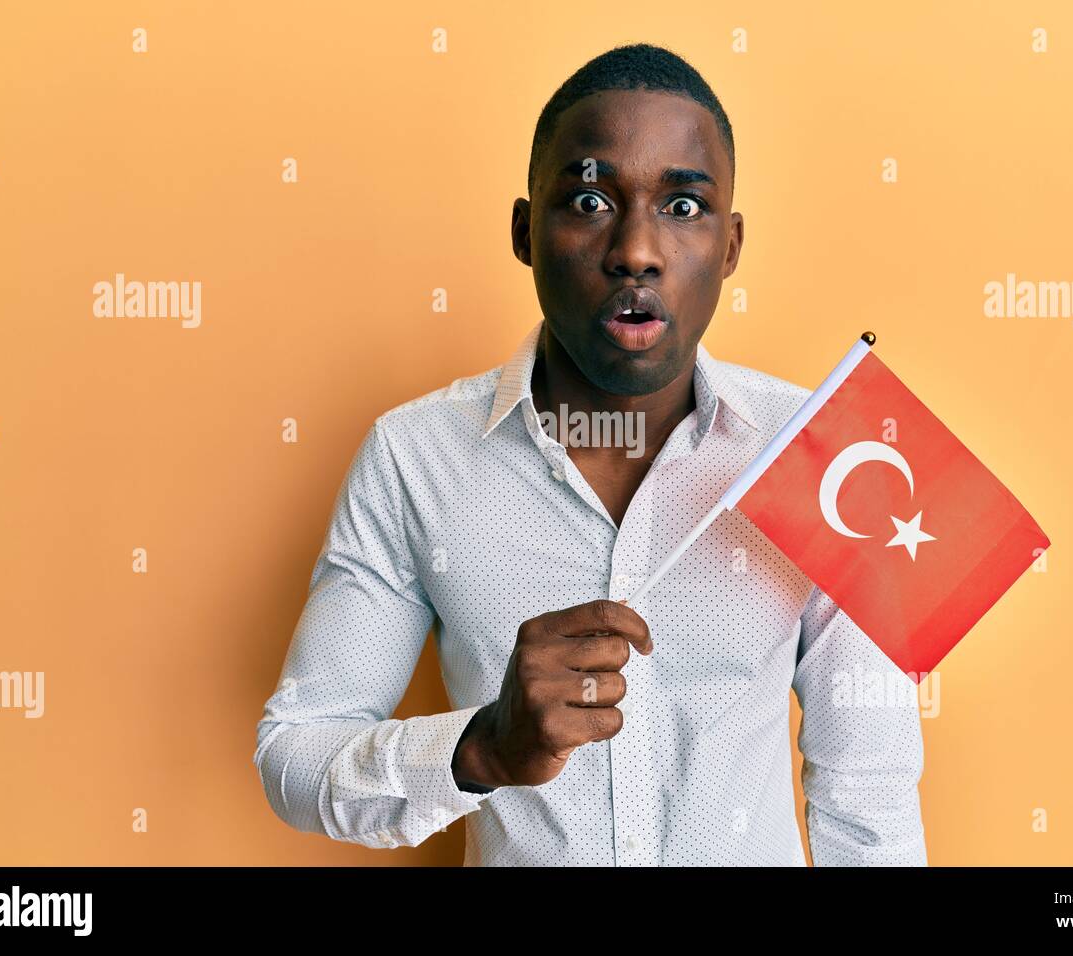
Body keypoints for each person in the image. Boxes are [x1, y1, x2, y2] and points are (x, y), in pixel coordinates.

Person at [253, 42, 928, 866]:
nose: (637, 251)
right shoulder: (414, 458)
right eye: (588, 198)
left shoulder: (824, 460)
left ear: (731, 246)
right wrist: (479, 749)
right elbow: (294, 752)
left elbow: (870, 802)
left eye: (683, 207)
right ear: (525, 231)